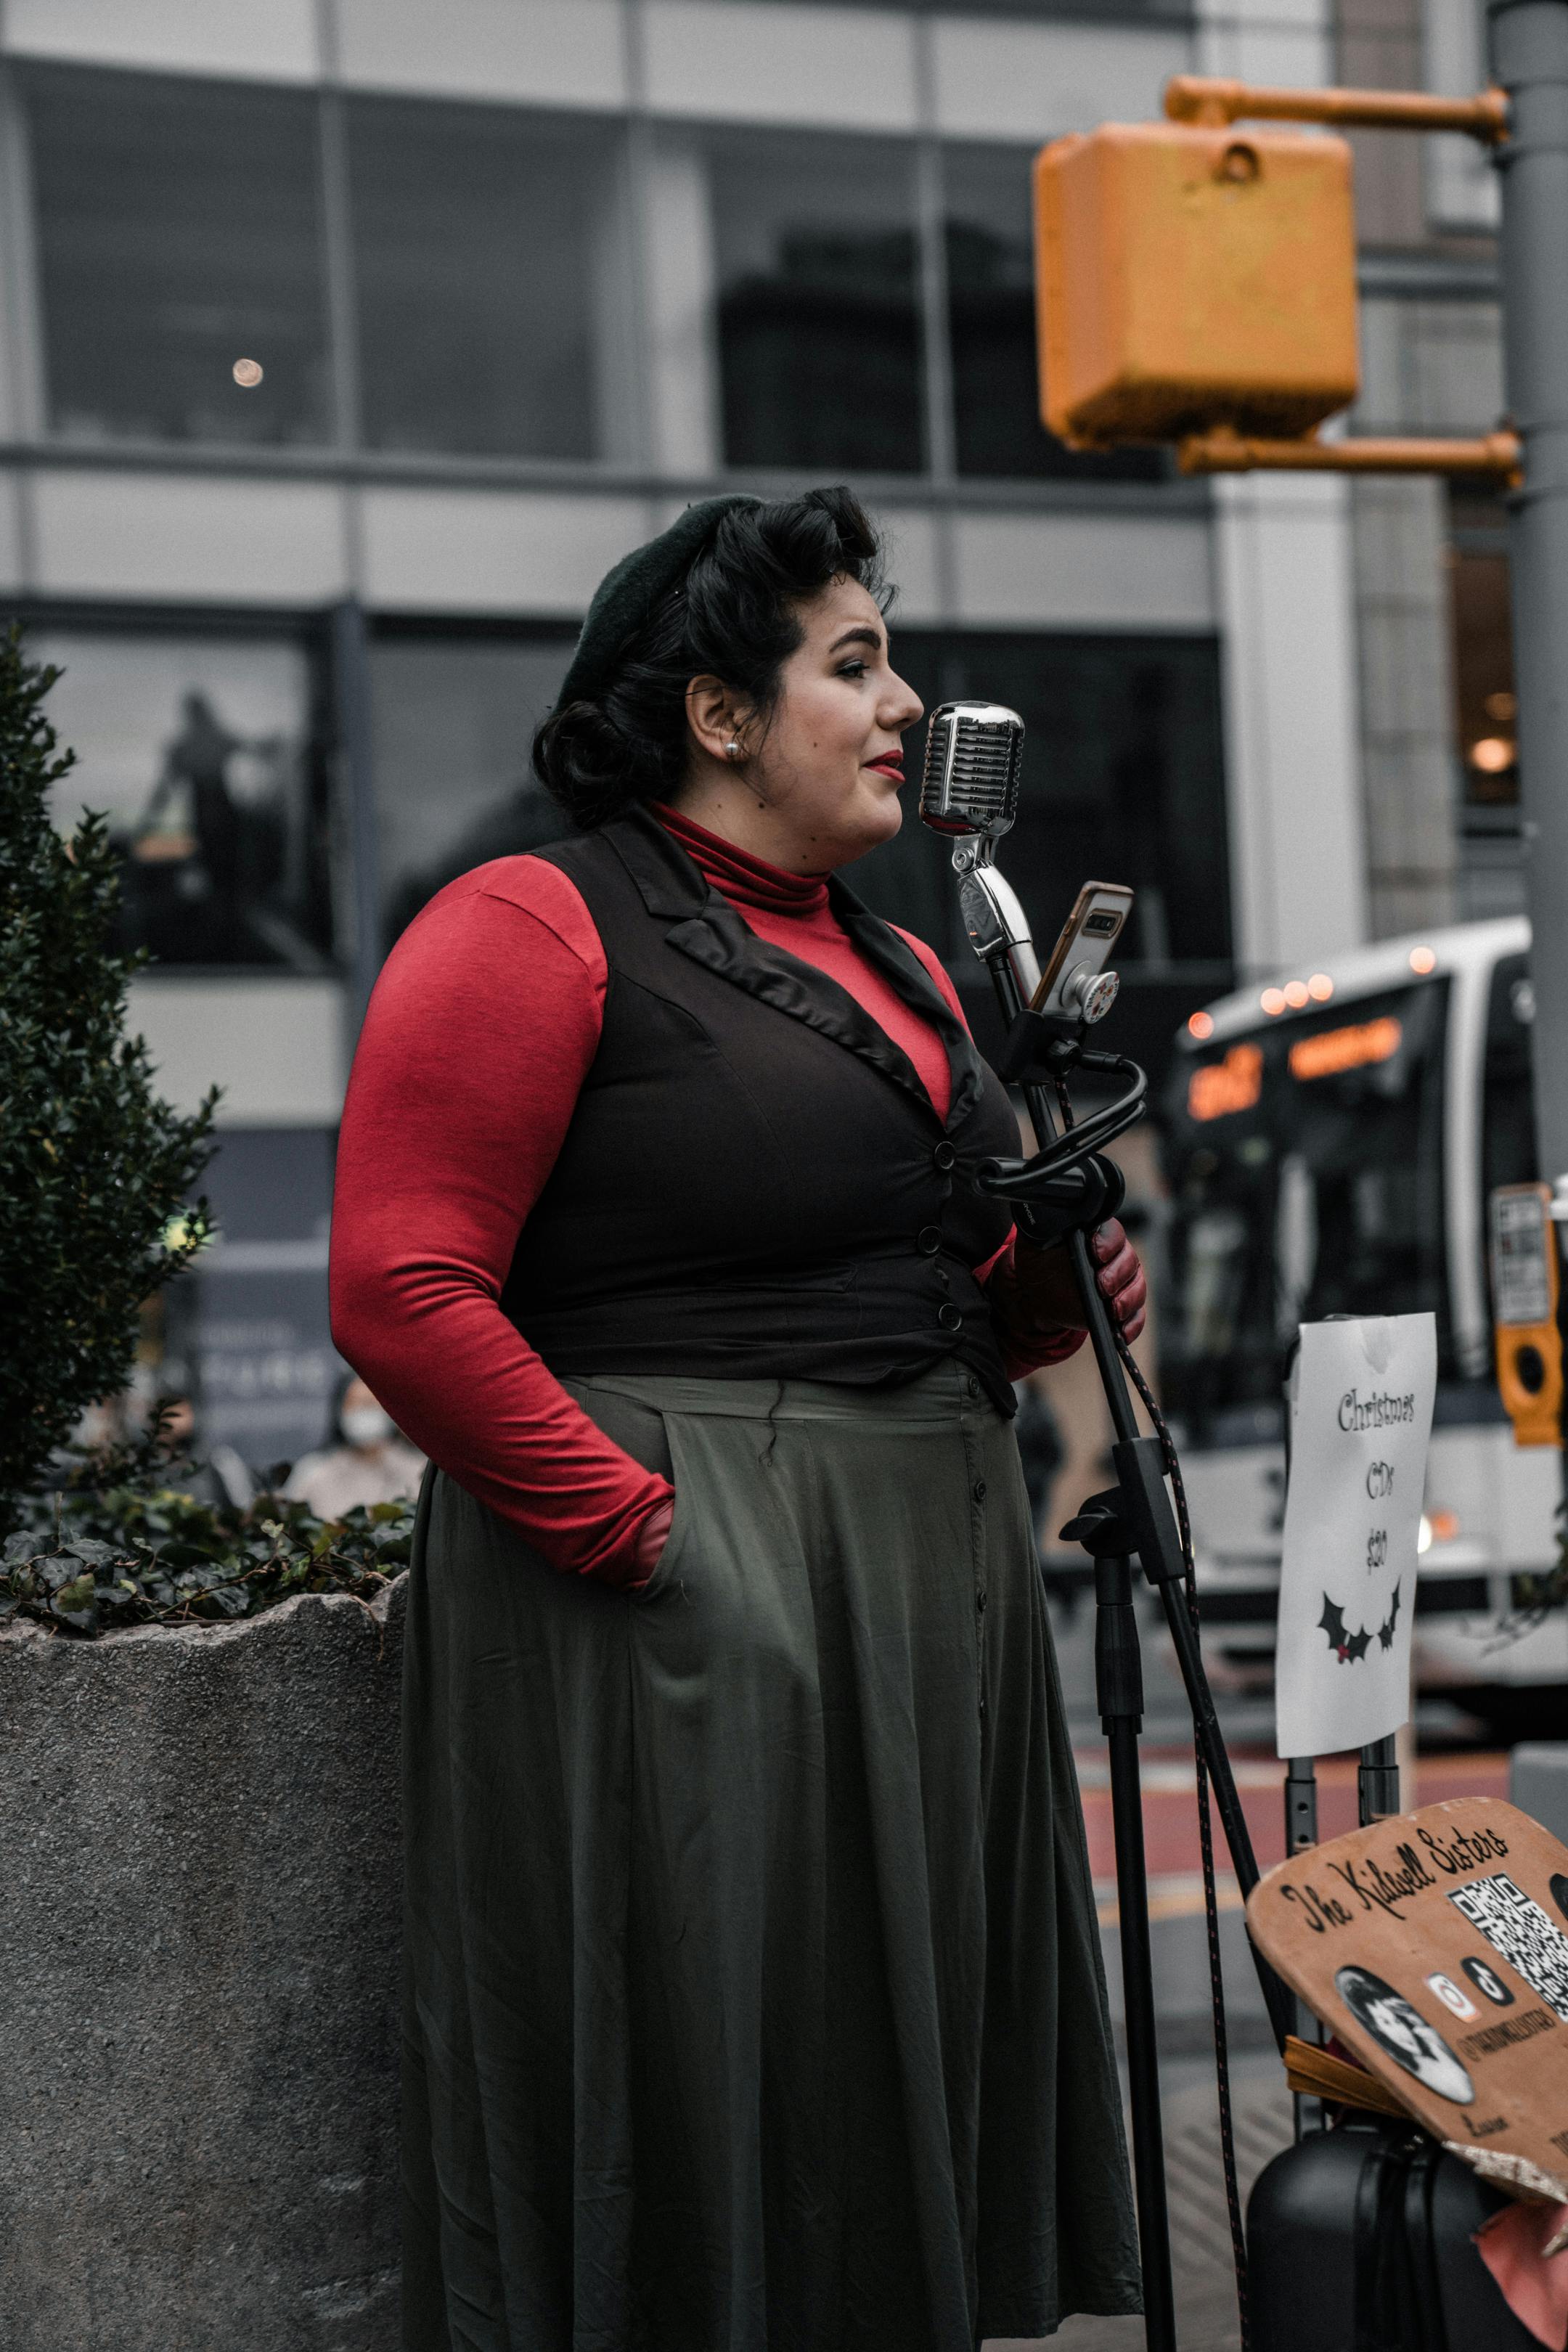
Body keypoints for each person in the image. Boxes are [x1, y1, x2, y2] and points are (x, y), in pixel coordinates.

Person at [332, 489, 1146, 2351]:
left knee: (870, 2074)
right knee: (712, 2070)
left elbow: (962, 1302)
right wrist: (644, 1533)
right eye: (852, 664)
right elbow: (398, 1284)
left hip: (909, 1561)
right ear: (715, 711)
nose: (902, 703)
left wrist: (1050, 1278)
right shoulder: (527, 923)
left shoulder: (915, 964)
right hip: (692, 1571)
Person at [283, 1375, 425, 1518]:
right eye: (356, 1404)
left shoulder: (418, 1471)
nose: (365, 1412)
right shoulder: (314, 1474)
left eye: (371, 1404)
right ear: (340, 1410)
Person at [1334, 1964, 1476, 2105]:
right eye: (1386, 2023)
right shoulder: (1412, 2069)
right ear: (1378, 2030)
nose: (1400, 2032)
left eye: (1397, 2020)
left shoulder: (1431, 2042)